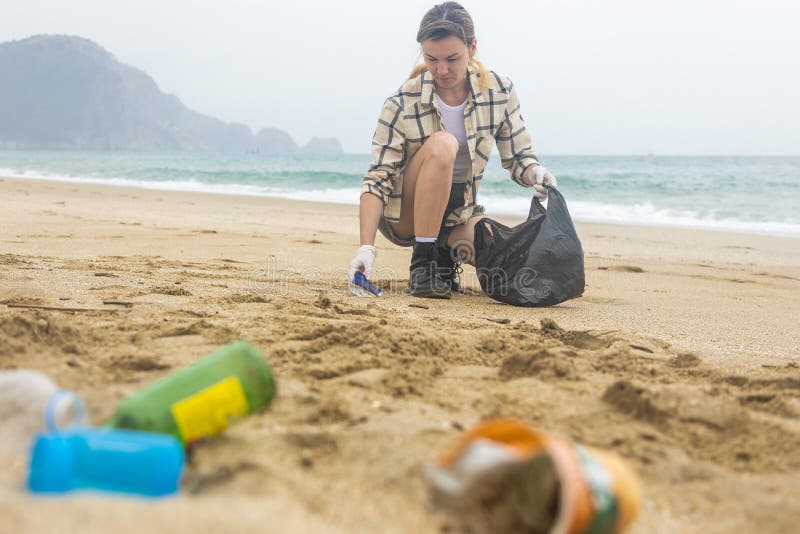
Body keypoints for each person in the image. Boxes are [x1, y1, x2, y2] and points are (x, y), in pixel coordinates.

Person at [349, 1, 557, 299]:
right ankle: (423, 265)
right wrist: (366, 247)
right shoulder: (400, 102)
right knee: (445, 143)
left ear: (472, 48)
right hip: (406, 217)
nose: (441, 70)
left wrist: (537, 173)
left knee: (511, 264)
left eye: (452, 58)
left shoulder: (500, 92)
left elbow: (518, 157)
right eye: (431, 59)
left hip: (458, 213)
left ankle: (444, 254)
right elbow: (378, 178)